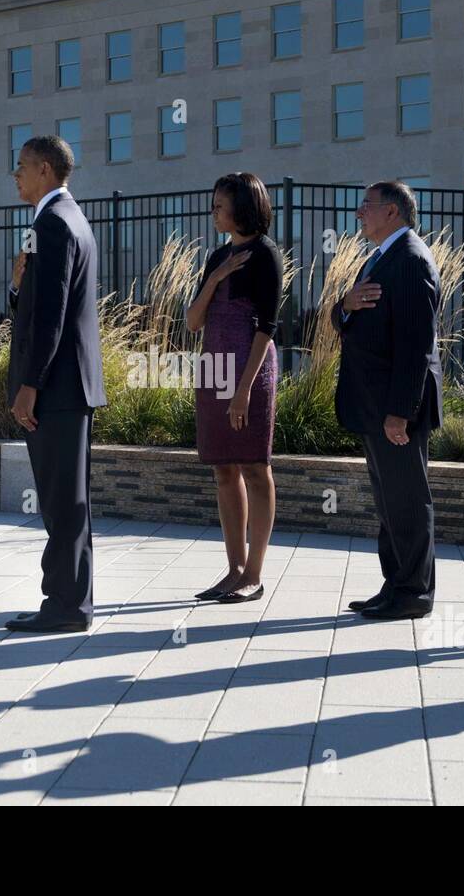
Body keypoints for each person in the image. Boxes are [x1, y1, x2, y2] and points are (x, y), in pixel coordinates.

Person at [3, 136, 107, 634]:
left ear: (45, 169)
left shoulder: (53, 224)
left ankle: (66, 606)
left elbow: (52, 317)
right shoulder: (68, 220)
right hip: (69, 387)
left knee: (62, 503)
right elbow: (35, 302)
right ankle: (69, 601)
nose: (16, 175)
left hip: (58, 389)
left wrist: (30, 385)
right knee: (67, 500)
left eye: (21, 166)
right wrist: (15, 285)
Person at [330, 181, 442, 620]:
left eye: (366, 205)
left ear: (392, 211)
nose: (359, 213)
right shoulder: (379, 258)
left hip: (395, 409)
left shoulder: (411, 260)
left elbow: (417, 345)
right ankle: (395, 584)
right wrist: (345, 304)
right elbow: (346, 318)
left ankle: (414, 592)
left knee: (407, 500)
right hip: (374, 405)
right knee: (389, 501)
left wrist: (400, 412)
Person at [186, 173, 284, 604]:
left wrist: (244, 390)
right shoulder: (217, 256)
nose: (213, 212)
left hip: (250, 373)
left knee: (255, 468)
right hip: (213, 369)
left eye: (219, 205)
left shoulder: (265, 255)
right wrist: (215, 277)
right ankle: (233, 571)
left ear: (241, 208)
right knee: (223, 469)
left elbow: (267, 328)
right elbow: (193, 321)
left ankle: (254, 575)